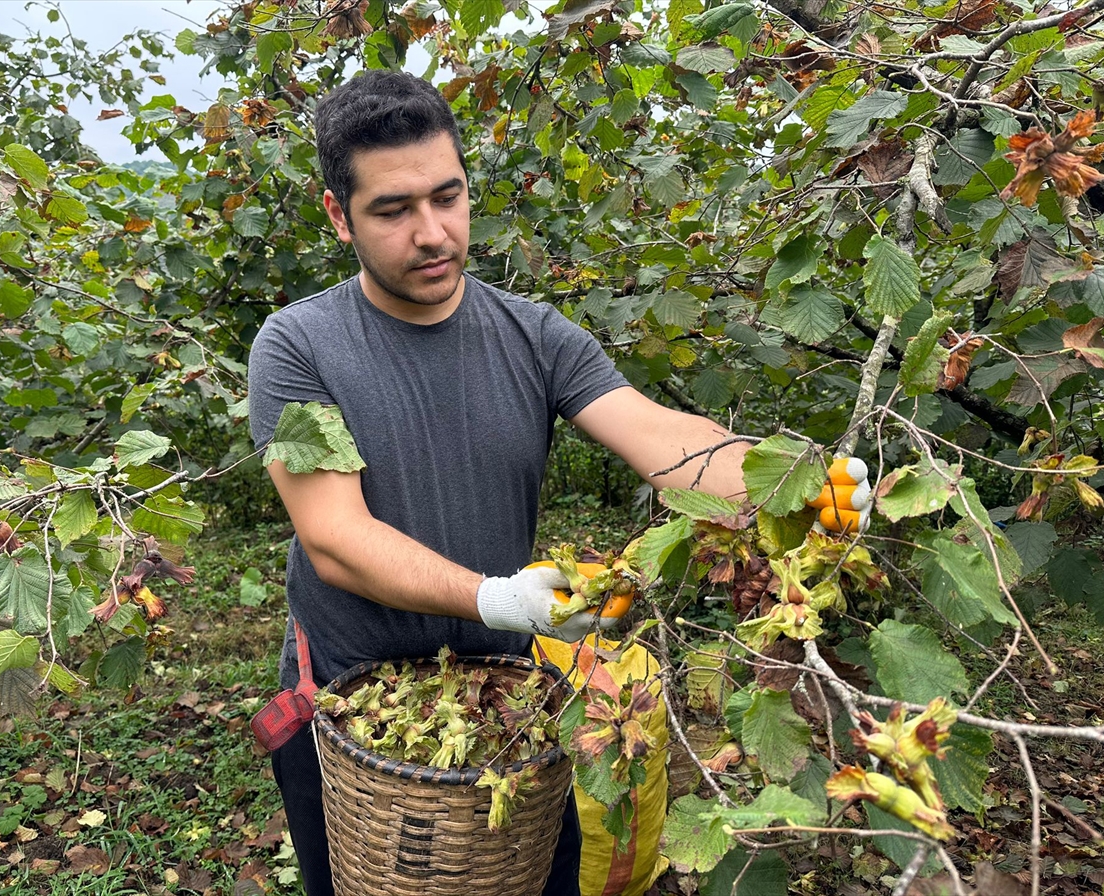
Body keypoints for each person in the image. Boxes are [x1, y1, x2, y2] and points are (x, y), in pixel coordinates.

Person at [247, 69, 750, 895]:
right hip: (350, 704)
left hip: (506, 705)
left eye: (448, 197)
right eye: (393, 210)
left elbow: (658, 434)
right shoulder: (299, 346)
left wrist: (791, 476)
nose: (433, 232)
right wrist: (499, 599)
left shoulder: (534, 334)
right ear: (338, 216)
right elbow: (334, 536)